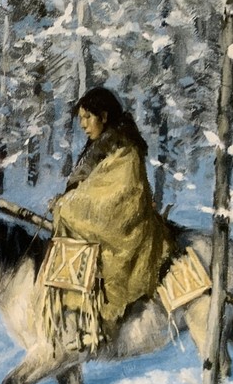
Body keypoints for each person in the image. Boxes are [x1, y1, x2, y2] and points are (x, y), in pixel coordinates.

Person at [43, 86, 175, 350]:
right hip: (114, 225)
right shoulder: (102, 150)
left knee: (110, 268)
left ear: (103, 116)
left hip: (130, 231)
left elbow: (112, 202)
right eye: (80, 118)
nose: (82, 125)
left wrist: (65, 205)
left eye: (87, 117)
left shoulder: (124, 152)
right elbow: (91, 191)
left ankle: (103, 324)